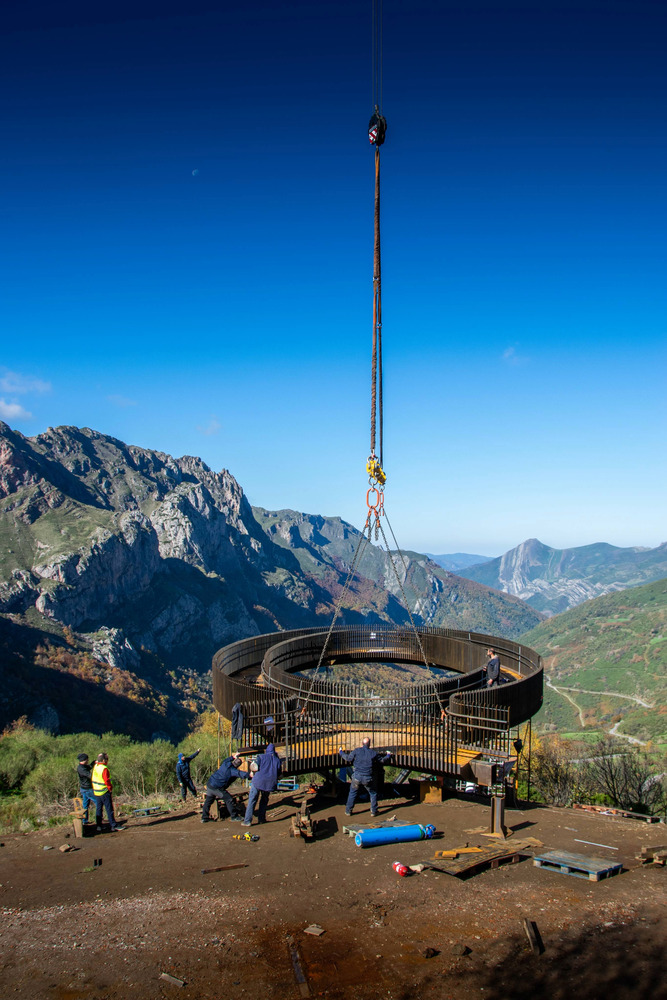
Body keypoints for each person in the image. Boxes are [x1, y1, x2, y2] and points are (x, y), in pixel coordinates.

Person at [338, 737, 391, 817]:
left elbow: (348, 758)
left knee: (352, 793)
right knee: (373, 793)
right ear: (369, 744)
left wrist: (341, 752)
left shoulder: (357, 751)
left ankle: (348, 811)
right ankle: (374, 811)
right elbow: (382, 760)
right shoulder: (373, 753)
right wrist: (388, 755)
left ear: (362, 744)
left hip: (357, 777)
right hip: (368, 778)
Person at [242, 744, 282, 826]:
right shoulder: (277, 760)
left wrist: (252, 772)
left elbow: (254, 767)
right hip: (269, 784)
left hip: (258, 781)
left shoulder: (261, 757)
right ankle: (261, 819)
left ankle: (247, 821)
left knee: (252, 800)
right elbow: (279, 774)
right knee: (264, 801)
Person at [201, 754, 249, 823]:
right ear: (238, 765)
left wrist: (232, 757)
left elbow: (226, 760)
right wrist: (249, 775)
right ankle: (234, 816)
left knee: (208, 801)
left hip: (210, 784)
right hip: (216, 788)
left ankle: (204, 817)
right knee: (229, 799)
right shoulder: (232, 770)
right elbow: (240, 774)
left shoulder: (225, 764)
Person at [91, 752, 123, 832]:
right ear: (104, 760)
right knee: (109, 809)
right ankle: (113, 825)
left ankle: (99, 826)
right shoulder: (104, 768)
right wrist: (110, 788)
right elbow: (107, 780)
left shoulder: (96, 766)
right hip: (104, 791)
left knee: (99, 809)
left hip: (96, 791)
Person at [76, 753, 96, 824]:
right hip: (87, 789)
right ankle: (98, 820)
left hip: (84, 788)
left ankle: (85, 821)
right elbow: (90, 776)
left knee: (85, 805)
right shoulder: (82, 769)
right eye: (87, 759)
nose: (88, 760)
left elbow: (89, 767)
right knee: (97, 803)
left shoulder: (82, 766)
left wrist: (93, 763)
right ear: (85, 760)